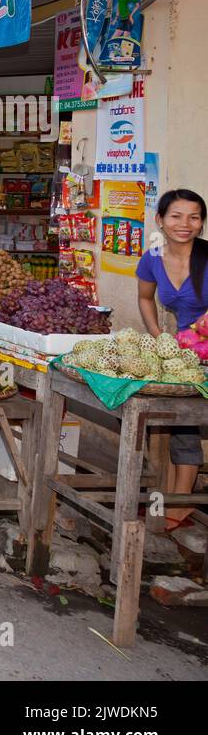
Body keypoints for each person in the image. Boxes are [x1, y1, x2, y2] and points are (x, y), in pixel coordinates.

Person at [137, 188, 208, 530]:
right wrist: (157, 337)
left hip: (202, 349)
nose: (186, 224)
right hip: (186, 352)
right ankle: (180, 502)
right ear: (160, 220)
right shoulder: (153, 256)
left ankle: (181, 503)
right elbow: (145, 297)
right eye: (177, 216)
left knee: (186, 419)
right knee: (182, 421)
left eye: (194, 217)